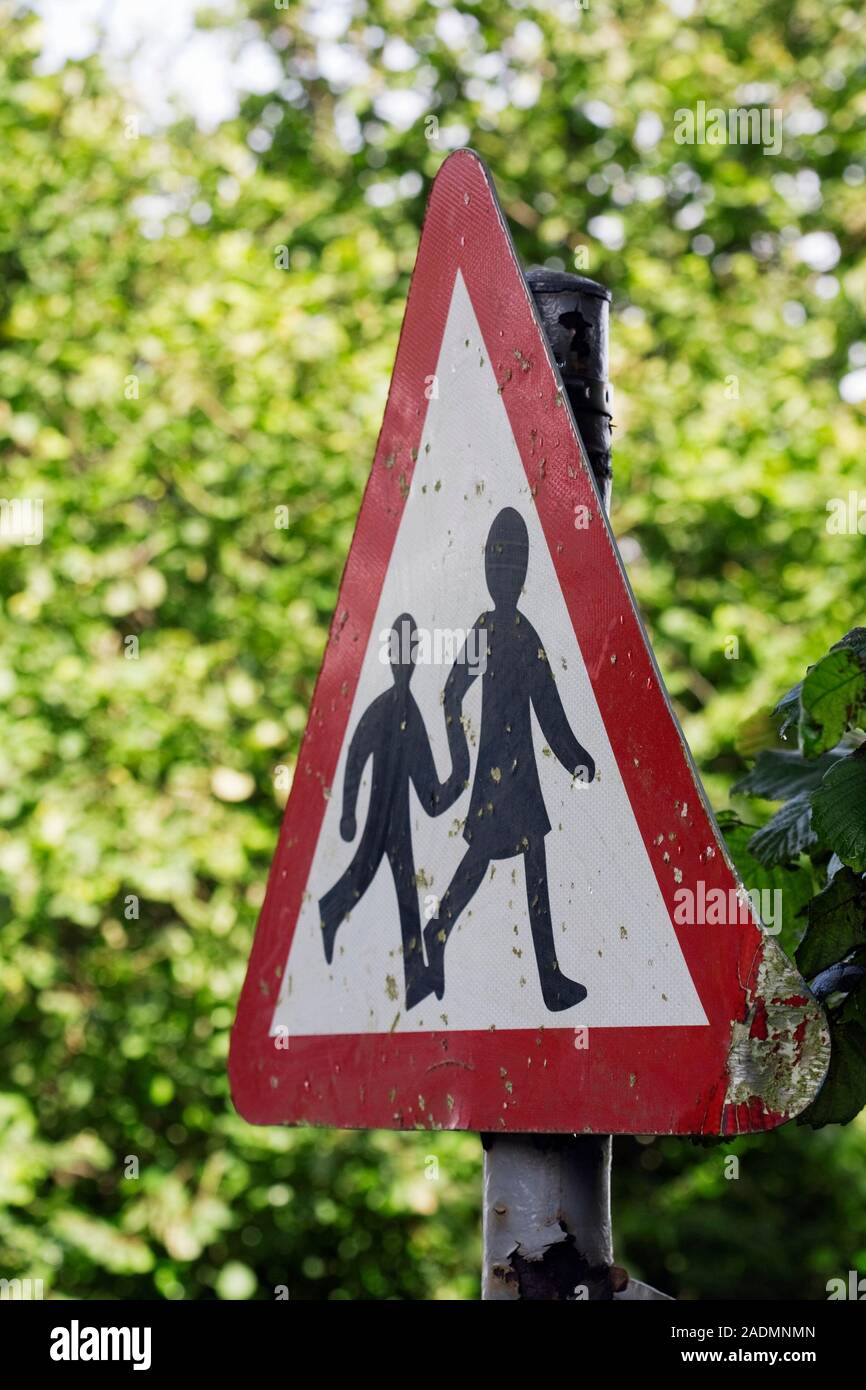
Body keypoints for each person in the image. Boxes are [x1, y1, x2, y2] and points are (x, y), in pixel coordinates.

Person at [421, 507, 595, 1011]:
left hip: (519, 772)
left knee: (513, 858)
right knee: (492, 859)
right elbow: (453, 692)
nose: (504, 572)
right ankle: (449, 937)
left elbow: (549, 705)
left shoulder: (522, 632)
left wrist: (575, 757)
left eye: (512, 562)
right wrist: (460, 758)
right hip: (500, 773)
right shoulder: (491, 630)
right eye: (498, 560)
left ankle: (542, 976)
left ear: (522, 574)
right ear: (487, 569)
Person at [318, 613, 469, 1009]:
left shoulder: (414, 713)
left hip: (398, 823)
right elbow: (354, 759)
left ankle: (414, 974)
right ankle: (328, 912)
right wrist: (347, 813)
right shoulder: (381, 708)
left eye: (411, 651)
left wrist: (459, 777)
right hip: (378, 819)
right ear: (388, 655)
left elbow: (429, 792)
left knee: (405, 894)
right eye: (398, 651)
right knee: (361, 877)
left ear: (416, 657)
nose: (405, 659)